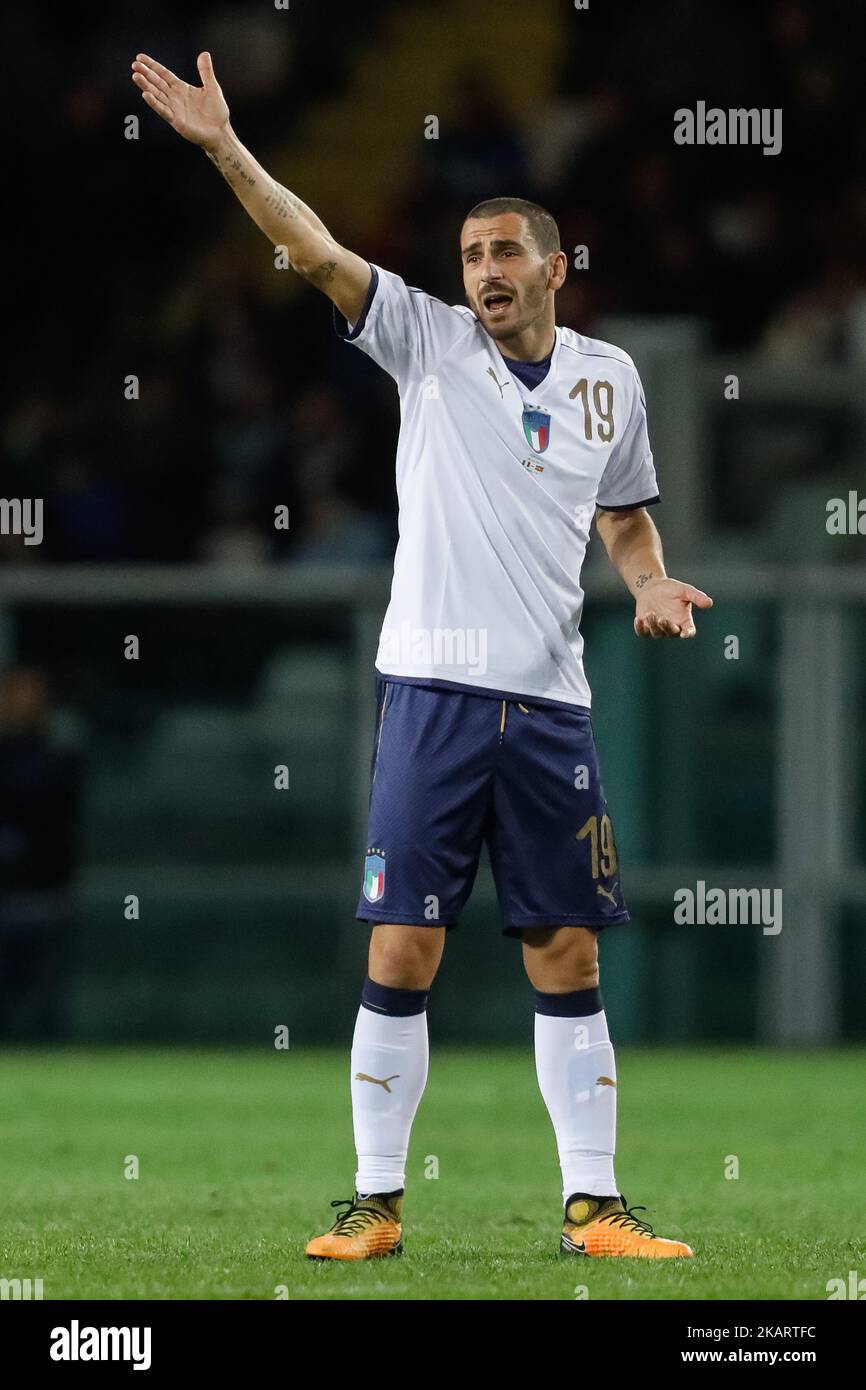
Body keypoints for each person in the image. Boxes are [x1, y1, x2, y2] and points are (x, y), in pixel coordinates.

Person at [131, 51, 713, 1260]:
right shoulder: (425, 344)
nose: (485, 273)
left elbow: (623, 512)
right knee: (403, 942)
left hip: (549, 704)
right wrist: (224, 150)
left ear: (553, 268)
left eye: (505, 253)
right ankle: (376, 1205)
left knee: (565, 944)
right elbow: (316, 247)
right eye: (469, 256)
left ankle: (593, 1209)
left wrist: (649, 579)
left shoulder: (610, 380)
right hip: (434, 694)